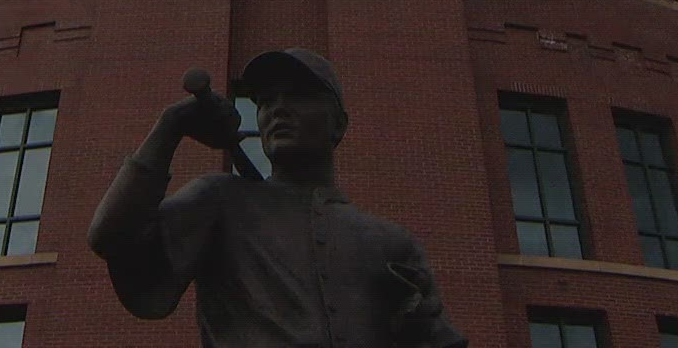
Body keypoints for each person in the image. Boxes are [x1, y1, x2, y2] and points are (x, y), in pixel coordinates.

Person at [88, 48, 468, 348]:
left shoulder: (391, 243)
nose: (278, 109)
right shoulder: (220, 200)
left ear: (339, 124)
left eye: (299, 96)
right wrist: (171, 126)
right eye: (267, 101)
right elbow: (113, 237)